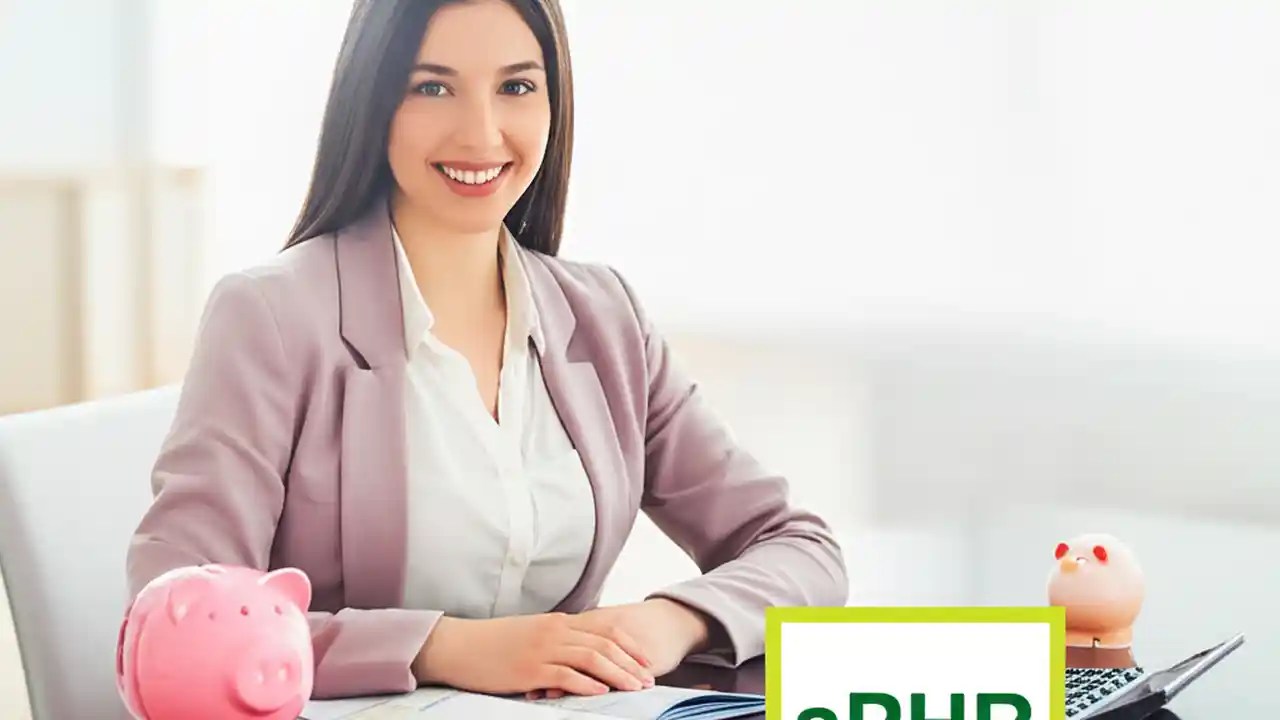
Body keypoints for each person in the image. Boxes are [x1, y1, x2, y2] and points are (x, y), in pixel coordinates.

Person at [125, 0, 847, 702]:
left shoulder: (605, 318)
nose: (482, 132)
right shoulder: (272, 317)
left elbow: (799, 548)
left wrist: (669, 622)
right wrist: (446, 646)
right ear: (372, 100)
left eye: (516, 87)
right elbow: (178, 622)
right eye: (432, 86)